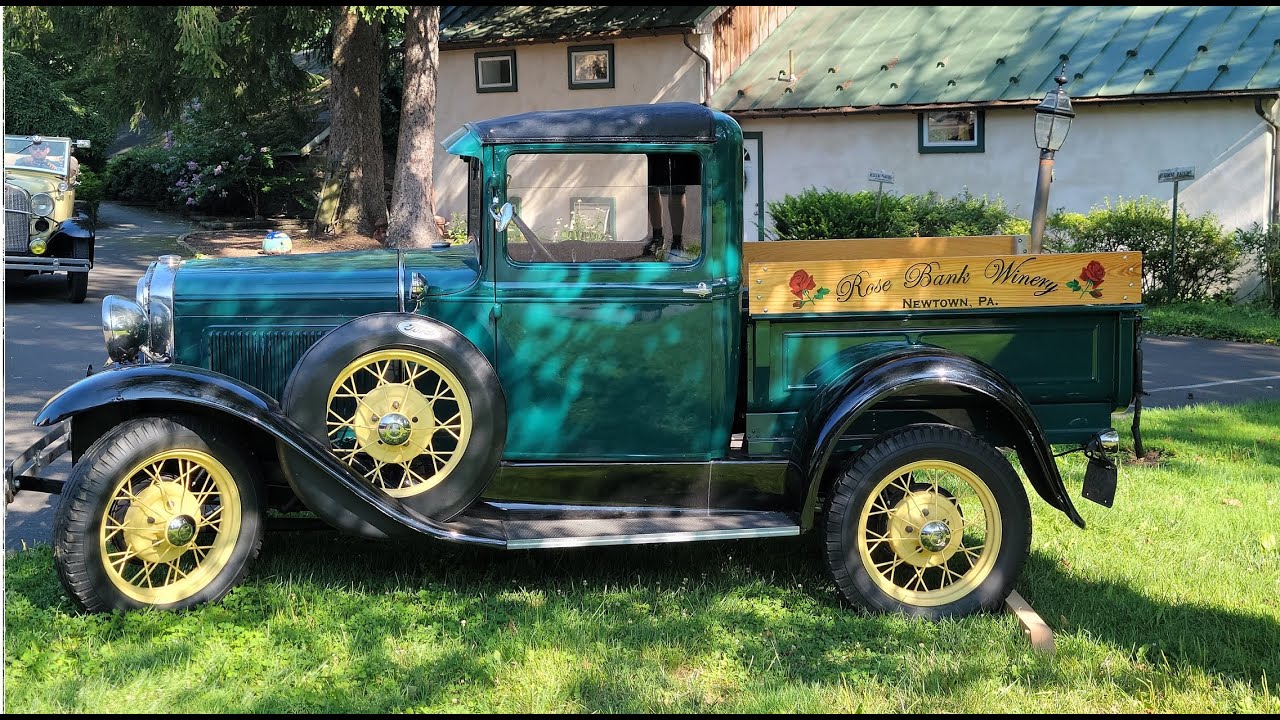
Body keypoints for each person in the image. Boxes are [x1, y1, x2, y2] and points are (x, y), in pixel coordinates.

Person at [643, 152, 700, 257]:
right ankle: (657, 238)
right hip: (653, 140)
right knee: (651, 187)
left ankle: (677, 242)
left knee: (677, 188)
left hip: (678, 142)